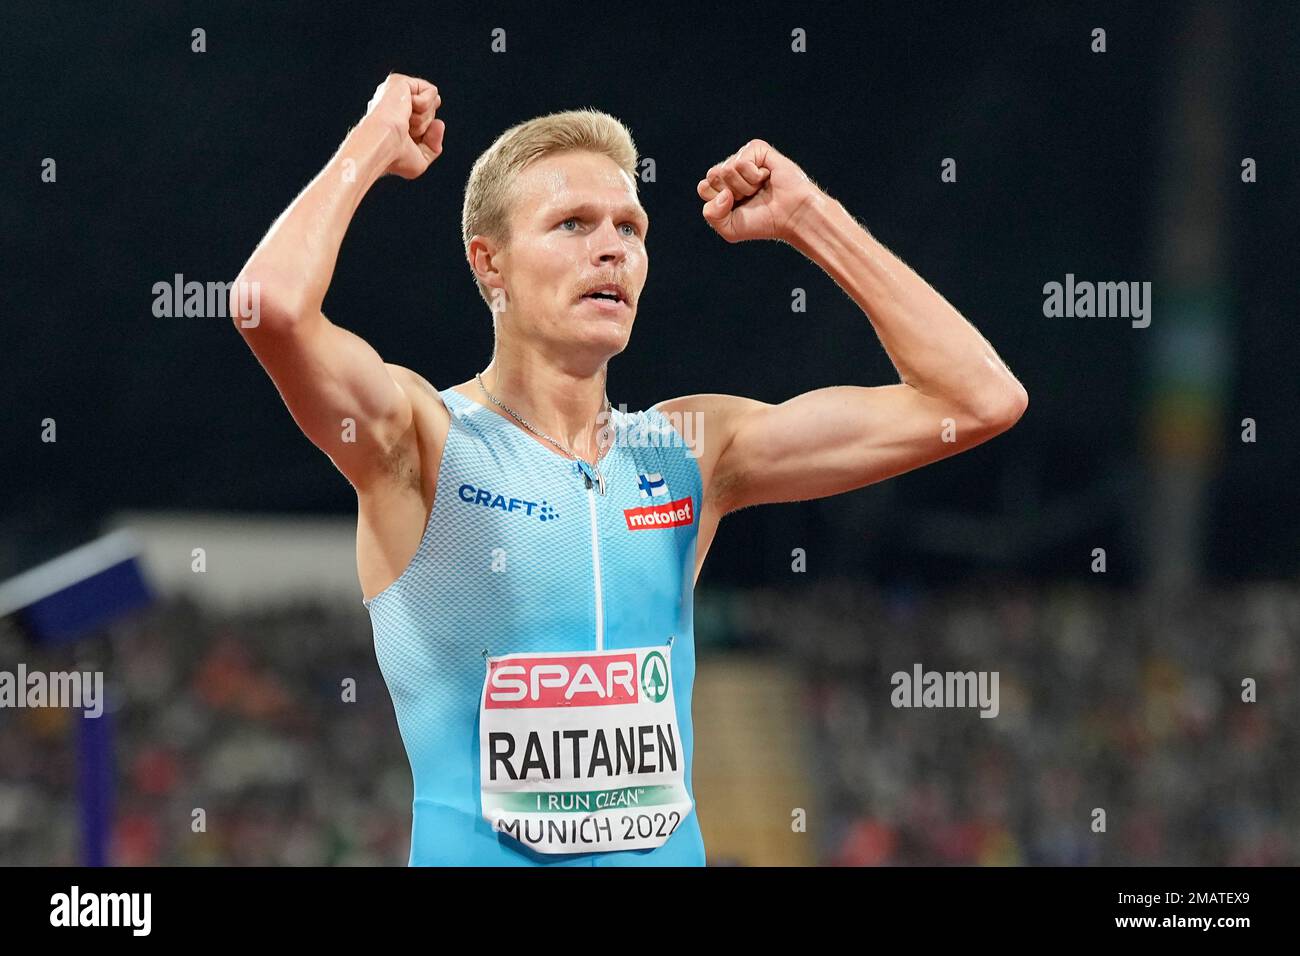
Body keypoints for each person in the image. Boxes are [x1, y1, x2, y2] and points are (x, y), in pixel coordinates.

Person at [230, 73, 1027, 866]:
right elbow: (270, 306)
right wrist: (370, 144)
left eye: (630, 227)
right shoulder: (420, 442)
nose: (612, 247)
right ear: (490, 264)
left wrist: (810, 218)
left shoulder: (691, 451)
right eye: (572, 224)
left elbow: (980, 399)